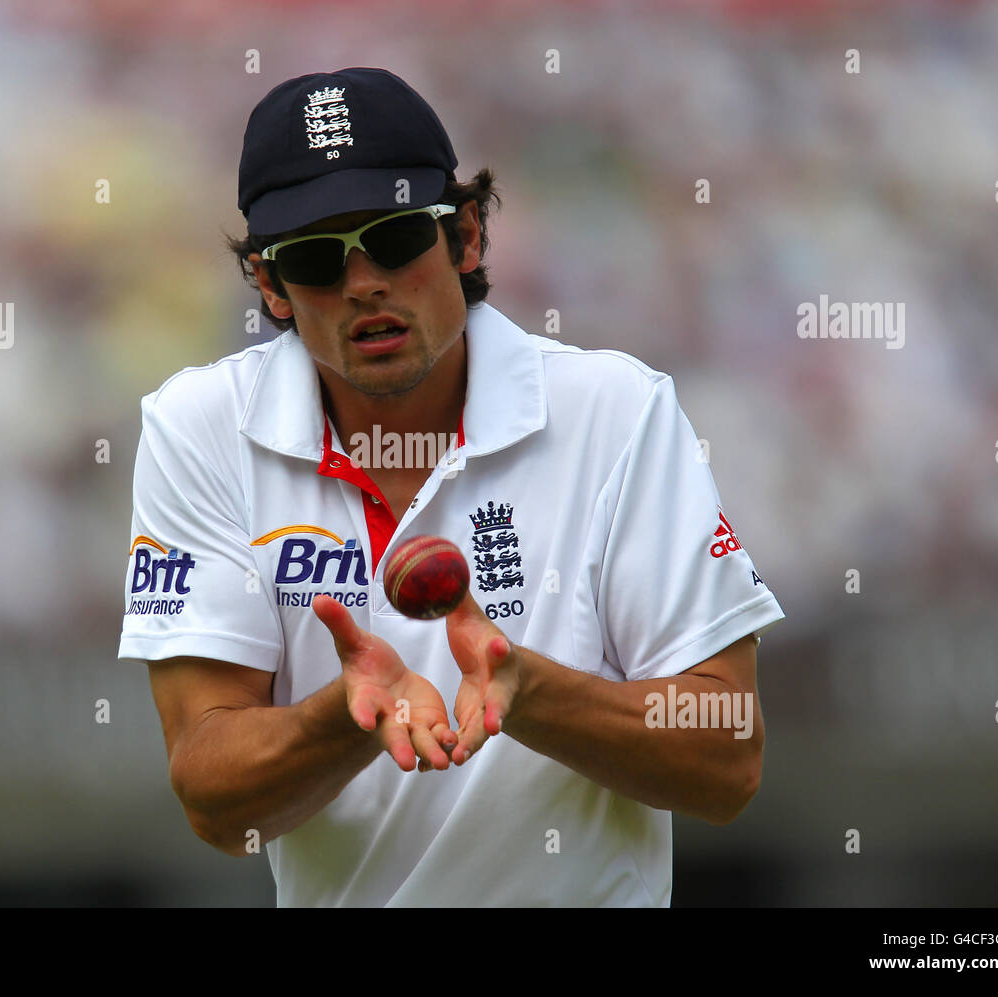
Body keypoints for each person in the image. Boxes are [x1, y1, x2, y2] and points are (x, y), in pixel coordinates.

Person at [119, 67, 785, 906]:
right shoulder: (198, 427)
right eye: (318, 257)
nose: (364, 282)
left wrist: (528, 691)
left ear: (466, 236)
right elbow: (213, 798)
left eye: (396, 238)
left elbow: (729, 753)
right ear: (270, 286)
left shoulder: (617, 411)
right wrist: (344, 715)